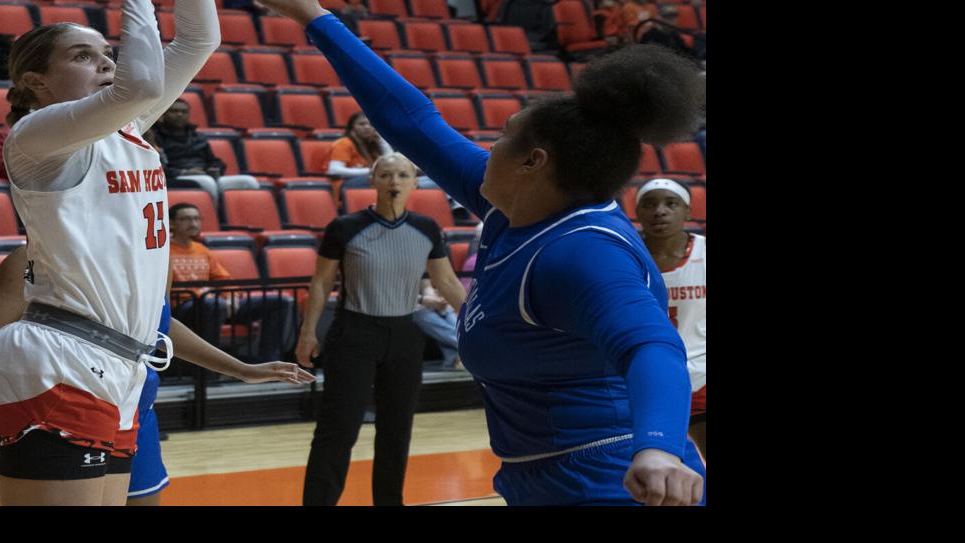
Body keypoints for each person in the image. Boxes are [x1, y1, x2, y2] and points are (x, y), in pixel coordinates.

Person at [261, 0, 705, 505]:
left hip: (616, 478)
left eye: (501, 138)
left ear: (533, 162)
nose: (487, 148)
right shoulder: (516, 201)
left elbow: (653, 346)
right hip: (541, 475)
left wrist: (660, 448)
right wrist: (313, 17)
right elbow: (411, 123)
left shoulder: (583, 253)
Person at [0, 0, 221, 506]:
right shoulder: (36, 134)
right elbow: (141, 83)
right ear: (34, 81)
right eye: (83, 56)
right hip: (62, 356)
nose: (107, 63)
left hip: (124, 361)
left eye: (108, 52)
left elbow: (200, 40)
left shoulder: (126, 127)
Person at [0, 245, 312, 503]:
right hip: (56, 407)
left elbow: (159, 327)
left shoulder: (154, 258)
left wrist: (242, 369)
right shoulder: (37, 256)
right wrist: (21, 355)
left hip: (134, 411)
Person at [297, 153, 468, 506]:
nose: (394, 181)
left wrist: (472, 321)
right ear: (372, 181)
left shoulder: (427, 228)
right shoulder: (344, 227)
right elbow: (320, 283)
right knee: (339, 429)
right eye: (386, 174)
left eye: (403, 175)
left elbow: (446, 280)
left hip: (404, 336)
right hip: (353, 334)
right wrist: (307, 333)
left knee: (397, 430)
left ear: (414, 183)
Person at [167, 203, 297, 364]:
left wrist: (231, 296)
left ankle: (269, 362)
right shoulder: (165, 250)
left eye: (196, 218)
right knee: (214, 303)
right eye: (185, 219)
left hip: (215, 304)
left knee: (279, 301)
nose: (193, 223)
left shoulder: (201, 248)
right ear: (171, 223)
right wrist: (208, 295)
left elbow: (223, 279)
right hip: (184, 307)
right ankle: (209, 367)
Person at [636, 177, 704, 460]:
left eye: (670, 203)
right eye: (649, 204)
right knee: (650, 468)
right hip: (645, 376)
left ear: (687, 212)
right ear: (638, 212)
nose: (659, 211)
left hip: (702, 373)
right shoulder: (624, 254)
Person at [145, 99, 261, 203]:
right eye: (174, 111)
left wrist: (215, 169)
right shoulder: (155, 137)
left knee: (249, 181)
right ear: (163, 115)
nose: (180, 114)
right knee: (207, 182)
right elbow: (159, 167)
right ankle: (215, 219)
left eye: (184, 112)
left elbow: (214, 160)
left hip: (205, 175)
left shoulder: (198, 137)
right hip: (177, 177)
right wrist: (184, 172)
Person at [327, 111, 389, 193]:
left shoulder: (373, 144)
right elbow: (334, 170)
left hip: (368, 180)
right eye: (362, 124)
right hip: (345, 183)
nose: (367, 127)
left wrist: (381, 137)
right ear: (352, 127)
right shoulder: (344, 143)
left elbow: (391, 161)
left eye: (371, 125)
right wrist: (369, 171)